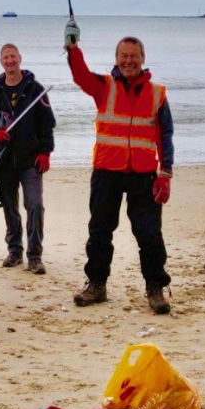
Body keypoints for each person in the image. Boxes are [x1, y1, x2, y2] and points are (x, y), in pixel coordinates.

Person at [64, 20, 175, 314]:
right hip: (106, 172)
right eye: (123, 56)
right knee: (100, 231)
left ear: (142, 59)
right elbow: (80, 75)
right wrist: (72, 48)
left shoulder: (157, 93)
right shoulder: (104, 86)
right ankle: (96, 285)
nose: (128, 61)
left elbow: (165, 136)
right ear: (116, 59)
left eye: (133, 56)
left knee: (149, 234)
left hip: (144, 175)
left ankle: (156, 289)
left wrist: (165, 173)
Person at [0, 44, 56, 275]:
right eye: (5, 57)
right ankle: (14, 251)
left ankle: (35, 256)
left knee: (35, 206)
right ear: (1, 61)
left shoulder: (35, 90)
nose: (9, 61)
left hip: (30, 161)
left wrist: (46, 152)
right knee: (10, 208)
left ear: (20, 58)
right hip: (3, 163)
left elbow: (47, 123)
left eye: (13, 56)